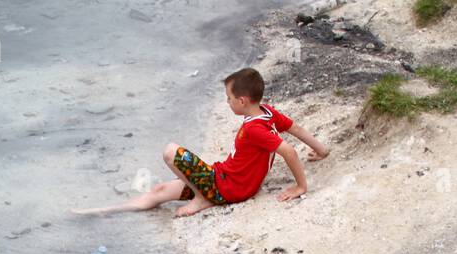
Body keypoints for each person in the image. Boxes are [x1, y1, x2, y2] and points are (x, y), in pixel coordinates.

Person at [75, 68, 329, 217]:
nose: (227, 102)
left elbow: (289, 150)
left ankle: (202, 198)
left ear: (241, 101)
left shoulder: (254, 129)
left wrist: (300, 186)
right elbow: (294, 128)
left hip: (226, 189)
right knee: (160, 191)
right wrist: (321, 149)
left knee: (170, 151)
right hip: (223, 178)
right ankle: (106, 211)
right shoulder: (268, 112)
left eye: (228, 98)